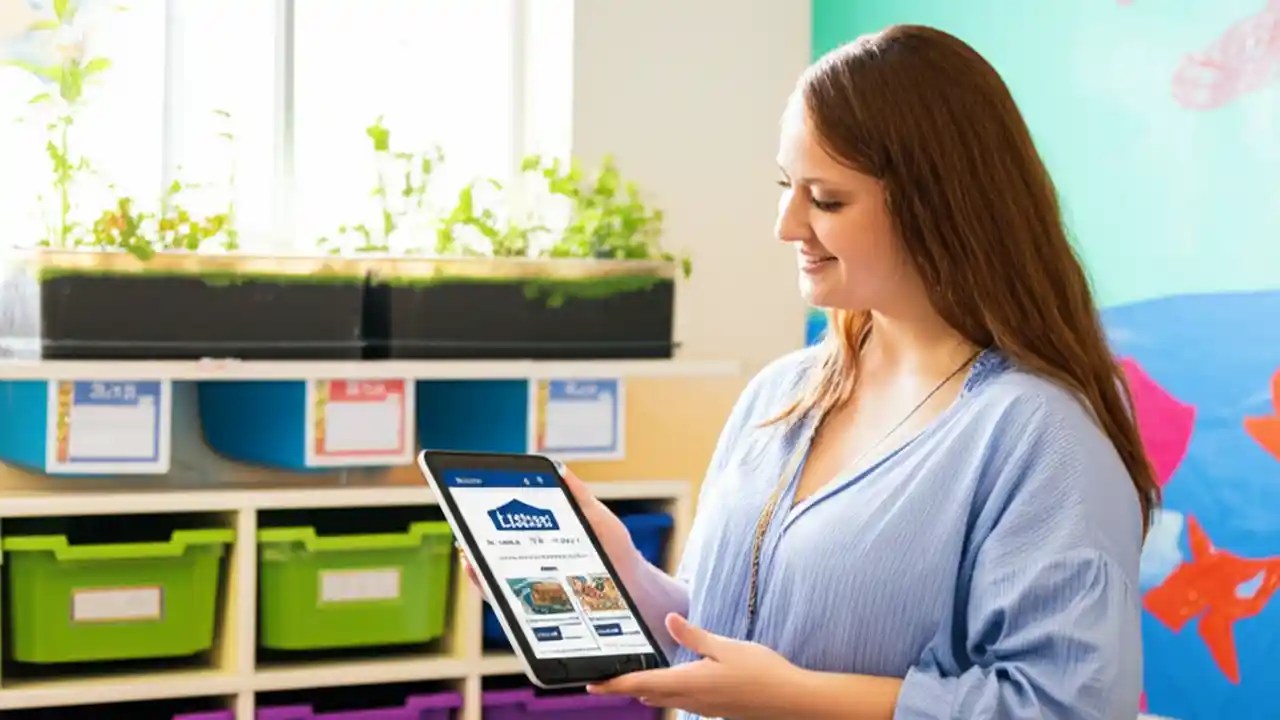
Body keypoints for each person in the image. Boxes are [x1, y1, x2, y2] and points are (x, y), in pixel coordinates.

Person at [465, 23, 1157, 720]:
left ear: (939, 206)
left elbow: (1066, 706)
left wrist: (794, 698)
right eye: (785, 186)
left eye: (826, 199)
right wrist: (627, 579)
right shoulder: (781, 395)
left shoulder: (1039, 436)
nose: (786, 225)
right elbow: (725, 642)